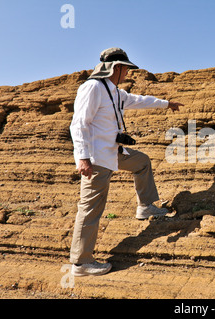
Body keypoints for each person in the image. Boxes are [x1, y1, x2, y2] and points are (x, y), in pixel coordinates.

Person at [69, 47, 183, 276]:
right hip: (96, 159)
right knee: (90, 208)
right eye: (127, 69)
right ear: (116, 68)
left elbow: (138, 101)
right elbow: (79, 124)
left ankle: (145, 207)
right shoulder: (92, 88)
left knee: (142, 162)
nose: (128, 73)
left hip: (114, 152)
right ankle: (81, 263)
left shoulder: (115, 92)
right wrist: (82, 158)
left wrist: (166, 103)